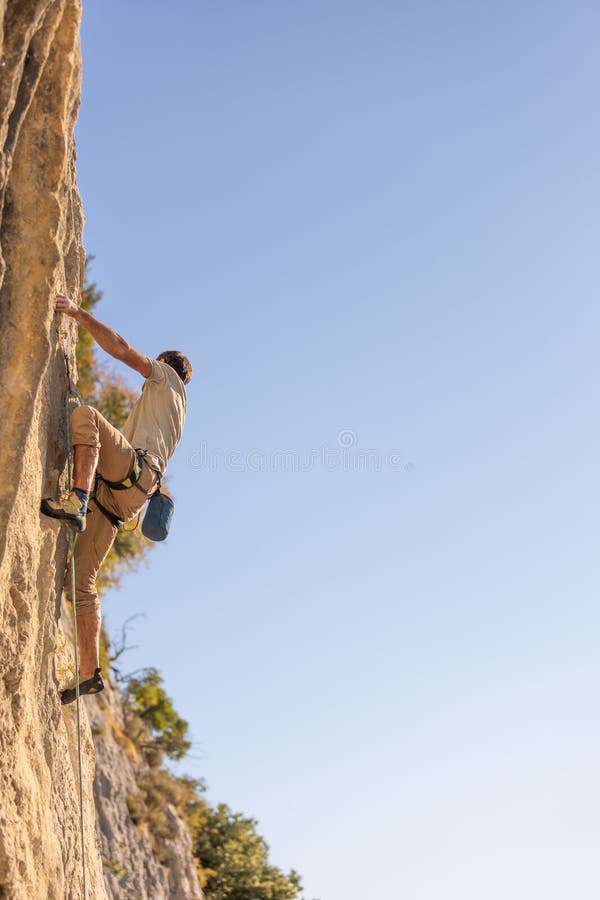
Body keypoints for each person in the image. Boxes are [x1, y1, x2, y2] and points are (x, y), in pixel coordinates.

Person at [42, 293, 192, 704]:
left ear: (167, 365)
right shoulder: (176, 414)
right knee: (81, 583)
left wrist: (76, 312)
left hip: (126, 477)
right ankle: (90, 672)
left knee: (86, 417)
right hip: (125, 500)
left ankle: (76, 500)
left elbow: (122, 350)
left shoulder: (165, 378)